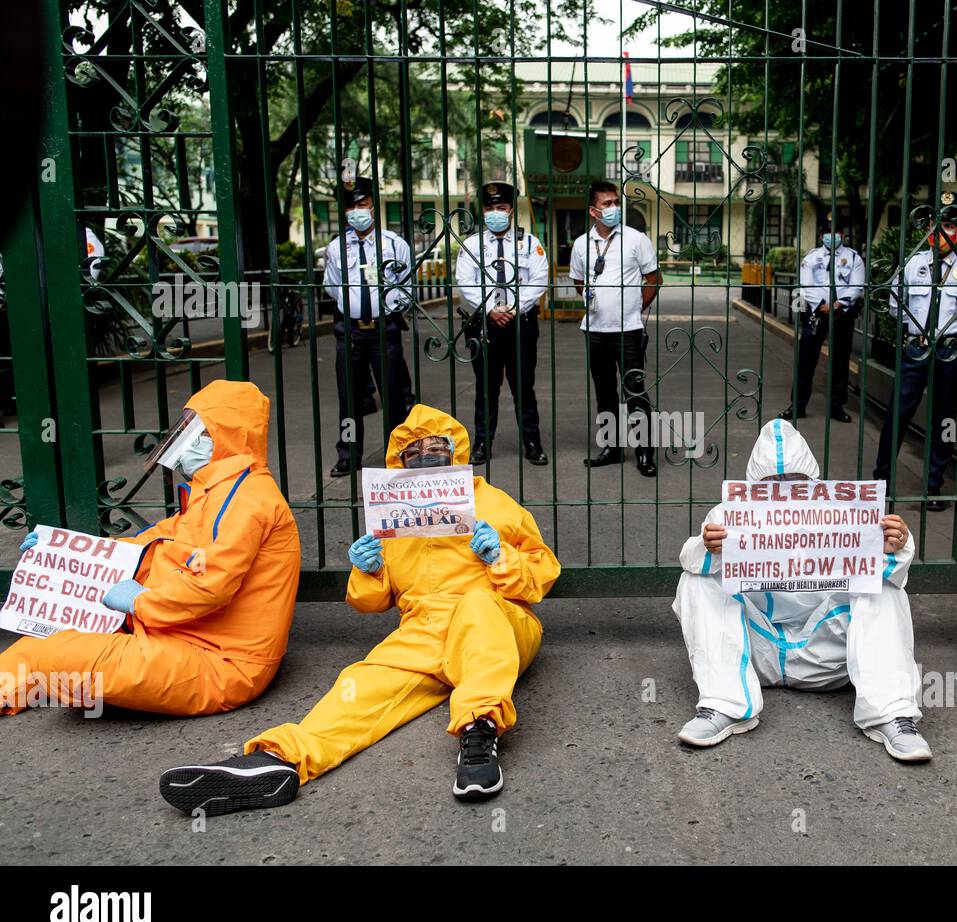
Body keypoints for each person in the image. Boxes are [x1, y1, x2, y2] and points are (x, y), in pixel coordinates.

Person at [159, 404, 560, 812]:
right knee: (363, 682)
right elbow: (371, 602)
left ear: (455, 450)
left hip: (498, 624)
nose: (425, 455)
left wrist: (500, 558)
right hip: (423, 631)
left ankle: (480, 730)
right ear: (399, 461)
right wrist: (368, 568)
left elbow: (543, 573)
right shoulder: (395, 517)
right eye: (413, 451)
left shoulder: (495, 504)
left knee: (476, 604)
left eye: (436, 446)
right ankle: (279, 759)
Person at [1, 380, 300, 716]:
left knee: (54, 656)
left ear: (226, 438)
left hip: (219, 662)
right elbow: (154, 541)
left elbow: (209, 587)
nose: (186, 443)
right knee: (36, 648)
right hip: (181, 636)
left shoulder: (245, 500)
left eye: (199, 432)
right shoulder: (216, 492)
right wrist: (67, 551)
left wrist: (140, 601)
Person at [672, 419, 931, 760]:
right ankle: (724, 704)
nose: (784, 490)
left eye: (795, 482)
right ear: (755, 485)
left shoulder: (845, 512)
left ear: (814, 482)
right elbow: (690, 559)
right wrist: (709, 547)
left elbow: (894, 574)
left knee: (881, 585)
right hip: (756, 652)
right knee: (697, 576)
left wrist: (895, 544)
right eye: (773, 483)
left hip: (826, 652)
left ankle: (892, 714)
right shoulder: (728, 514)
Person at [874, 192, 957, 510]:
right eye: (933, 224)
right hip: (916, 348)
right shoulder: (913, 265)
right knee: (896, 413)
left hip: (950, 352)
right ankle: (880, 483)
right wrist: (914, 328)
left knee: (944, 420)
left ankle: (934, 486)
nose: (939, 232)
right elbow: (894, 303)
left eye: (949, 226)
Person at [324, 175, 416, 478]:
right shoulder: (336, 248)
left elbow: (406, 285)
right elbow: (333, 288)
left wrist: (387, 310)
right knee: (348, 400)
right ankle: (349, 454)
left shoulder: (394, 244)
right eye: (351, 206)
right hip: (349, 333)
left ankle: (397, 452)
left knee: (394, 397)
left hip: (383, 330)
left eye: (362, 204)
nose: (357, 211)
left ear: (373, 205)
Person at [570, 180, 663, 477]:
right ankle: (611, 447)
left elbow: (653, 279)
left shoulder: (636, 239)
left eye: (615, 202)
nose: (613, 208)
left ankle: (645, 451)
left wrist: (635, 308)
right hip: (595, 330)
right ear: (593, 211)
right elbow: (578, 281)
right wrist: (595, 302)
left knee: (634, 390)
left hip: (628, 330)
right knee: (605, 391)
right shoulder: (581, 244)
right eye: (607, 204)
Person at [455, 181, 549, 467]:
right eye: (489, 208)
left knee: (523, 386)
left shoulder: (530, 243)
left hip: (520, 323)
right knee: (486, 387)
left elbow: (538, 280)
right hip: (485, 324)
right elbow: (465, 281)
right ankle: (483, 442)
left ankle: (532, 442)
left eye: (501, 208)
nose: (495, 213)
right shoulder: (472, 245)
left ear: (511, 210)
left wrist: (512, 307)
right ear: (483, 211)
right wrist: (490, 309)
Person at [781, 212, 866, 424]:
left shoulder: (854, 258)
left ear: (842, 234)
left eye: (835, 232)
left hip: (842, 314)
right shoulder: (811, 258)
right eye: (828, 232)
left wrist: (838, 304)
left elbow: (857, 286)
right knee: (806, 360)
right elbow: (806, 286)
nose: (832, 235)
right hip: (816, 314)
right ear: (821, 235)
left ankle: (837, 407)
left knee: (840, 360)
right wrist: (822, 305)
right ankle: (798, 405)